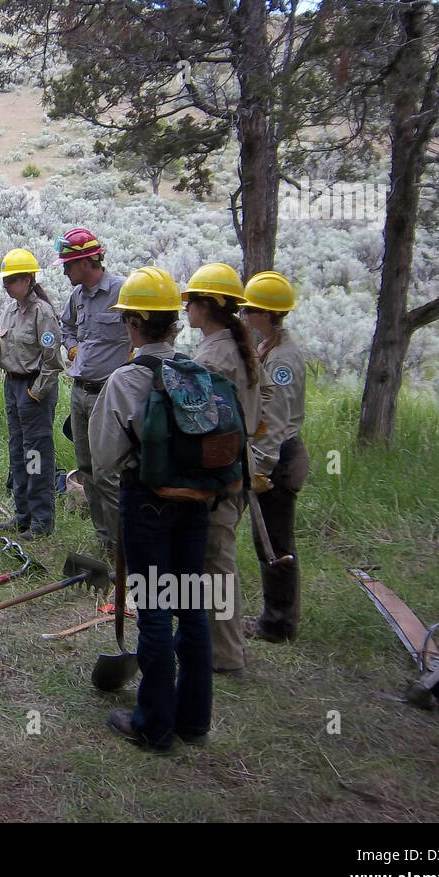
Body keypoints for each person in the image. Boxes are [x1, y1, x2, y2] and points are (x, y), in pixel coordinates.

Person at [90, 267, 211, 752]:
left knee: (155, 612)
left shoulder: (126, 379)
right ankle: (193, 720)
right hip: (196, 505)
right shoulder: (196, 373)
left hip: (148, 505)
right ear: (173, 324)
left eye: (126, 320)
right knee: (192, 606)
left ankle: (153, 725)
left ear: (137, 323)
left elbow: (103, 460)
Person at [182, 262, 262, 675]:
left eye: (191, 301)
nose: (185, 309)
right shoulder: (235, 344)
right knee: (214, 562)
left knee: (217, 565)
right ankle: (214, 646)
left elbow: (202, 424)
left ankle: (226, 655)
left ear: (207, 306)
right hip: (234, 469)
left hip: (219, 474)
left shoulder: (215, 356)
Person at [240, 271, 308, 643]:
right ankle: (276, 617)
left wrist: (262, 467)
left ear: (266, 313)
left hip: (280, 458)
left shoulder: (282, 358)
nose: (246, 316)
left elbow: (276, 419)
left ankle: (278, 624)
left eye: (250, 310)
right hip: (274, 454)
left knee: (275, 543)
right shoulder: (271, 346)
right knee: (267, 538)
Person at [56, 227, 128, 556]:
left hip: (108, 395)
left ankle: (120, 544)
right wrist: (71, 347)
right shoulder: (77, 297)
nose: (66, 271)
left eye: (68, 265)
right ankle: (104, 539)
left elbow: (146, 333)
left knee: (108, 471)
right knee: (86, 469)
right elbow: (66, 326)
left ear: (86, 262)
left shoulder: (121, 292)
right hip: (80, 391)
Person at [0, 248, 62, 540]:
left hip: (34, 387)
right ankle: (23, 515)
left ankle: (41, 521)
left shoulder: (42, 312)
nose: (6, 285)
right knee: (18, 451)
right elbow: (11, 349)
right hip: (12, 384)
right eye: (5, 279)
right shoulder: (9, 311)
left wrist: (36, 393)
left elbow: (52, 360)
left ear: (28, 279)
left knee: (36, 454)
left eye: (12, 279)